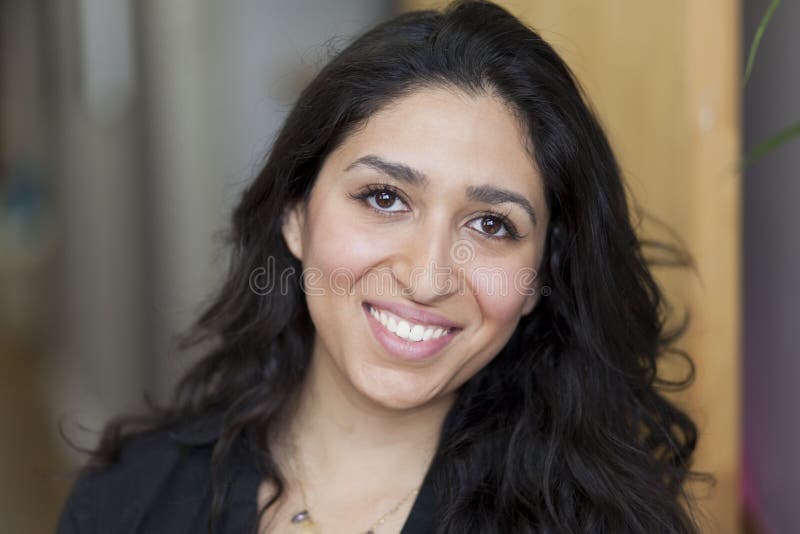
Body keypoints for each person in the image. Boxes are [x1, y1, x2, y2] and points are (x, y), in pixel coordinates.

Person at [55, 1, 713, 532]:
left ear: (542, 275)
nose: (426, 278)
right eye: (384, 198)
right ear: (295, 213)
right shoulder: (128, 501)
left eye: (492, 225)